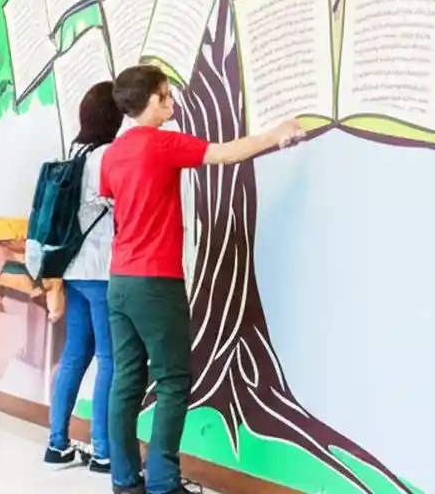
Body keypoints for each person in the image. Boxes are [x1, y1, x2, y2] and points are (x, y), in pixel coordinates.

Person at [100, 65, 303, 494]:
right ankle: (162, 482)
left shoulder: (113, 152)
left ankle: (124, 480)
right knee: (173, 380)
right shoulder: (160, 143)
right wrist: (275, 133)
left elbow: (115, 199)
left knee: (127, 380)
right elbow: (225, 153)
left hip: (120, 280)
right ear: (149, 102)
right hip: (156, 281)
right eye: (165, 96)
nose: (172, 103)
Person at [46, 81, 118, 473]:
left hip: (73, 269)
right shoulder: (110, 156)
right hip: (103, 272)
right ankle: (103, 451)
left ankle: (57, 444)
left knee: (75, 353)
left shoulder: (75, 152)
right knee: (109, 358)